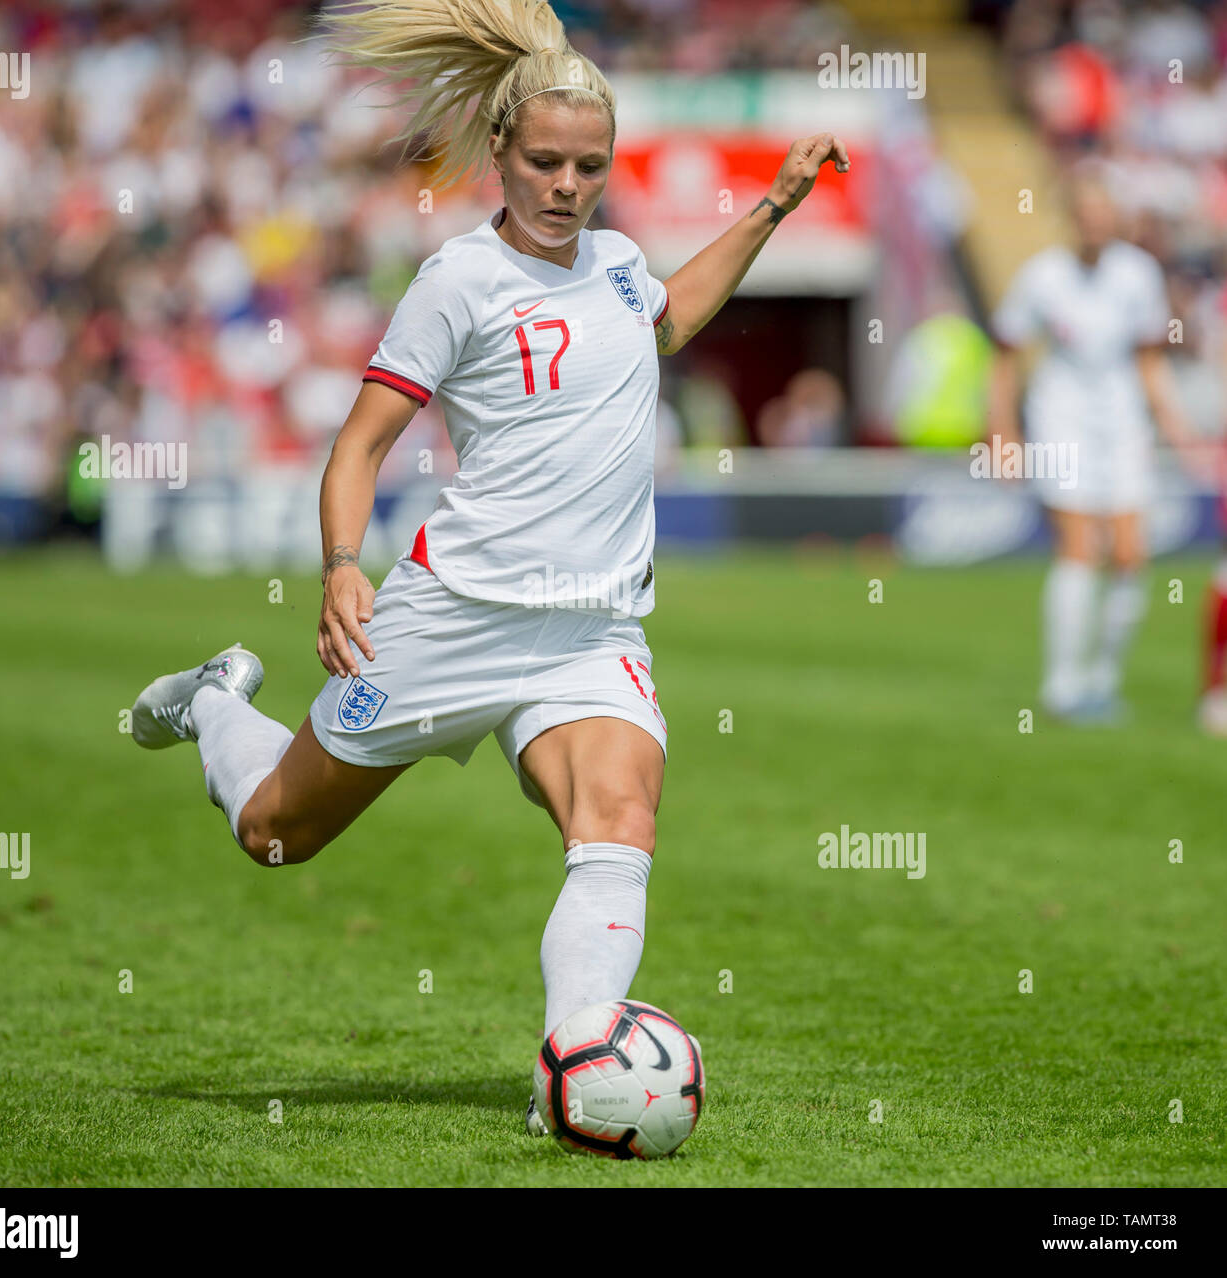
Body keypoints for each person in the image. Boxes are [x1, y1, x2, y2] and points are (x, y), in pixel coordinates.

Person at [128, 0, 848, 1134]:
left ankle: (576, 1073)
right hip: (449, 620)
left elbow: (667, 321)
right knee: (276, 834)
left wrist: (770, 208)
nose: (568, 185)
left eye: (590, 166)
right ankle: (218, 700)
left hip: (592, 633)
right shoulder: (456, 282)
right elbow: (360, 444)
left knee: (618, 819)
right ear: (501, 156)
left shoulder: (614, 266)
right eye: (547, 162)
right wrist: (338, 567)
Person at [987, 168, 1199, 721]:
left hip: (1123, 426)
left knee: (1130, 556)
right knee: (1079, 548)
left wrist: (1174, 425)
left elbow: (1148, 360)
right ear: (1072, 219)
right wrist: (1002, 432)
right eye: (1085, 216)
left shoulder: (1138, 275)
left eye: (1103, 215)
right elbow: (1006, 358)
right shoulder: (1043, 277)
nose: (1095, 225)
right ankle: (1061, 687)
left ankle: (1102, 680)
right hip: (1061, 421)